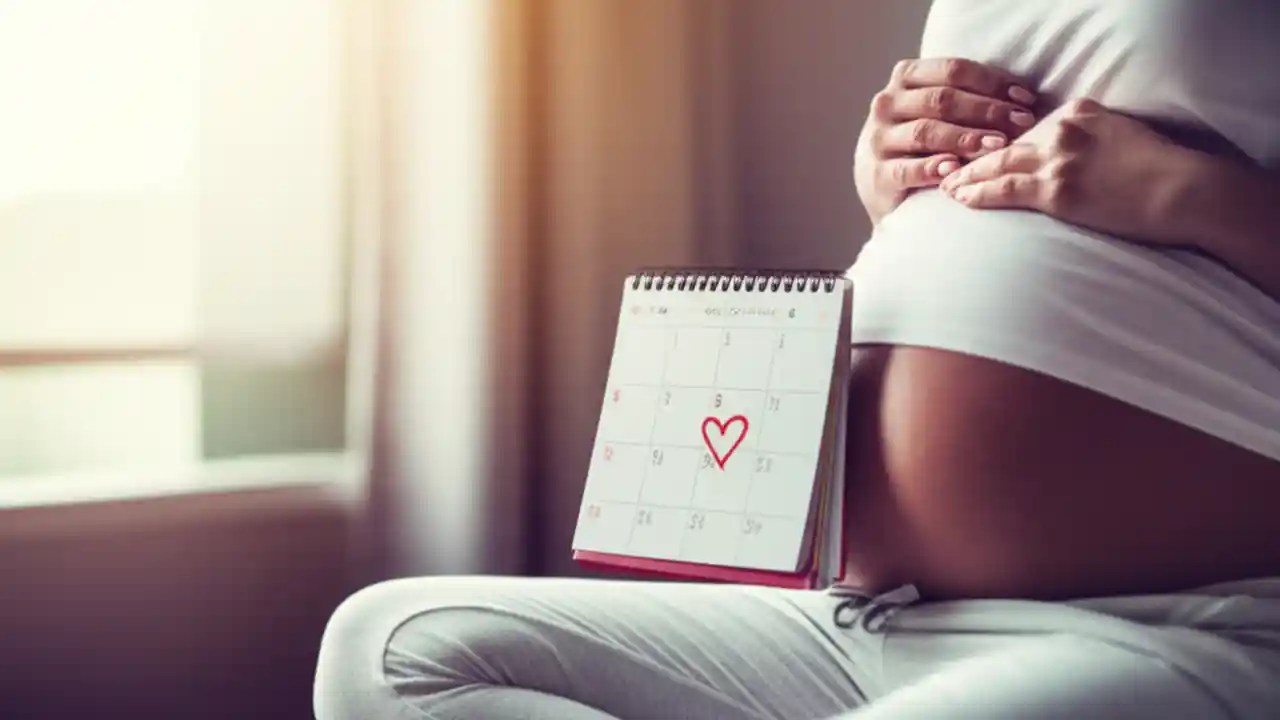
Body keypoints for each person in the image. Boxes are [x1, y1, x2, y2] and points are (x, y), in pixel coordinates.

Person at [314, 1, 1280, 717]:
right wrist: (897, 186)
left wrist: (1196, 196)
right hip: (861, 615)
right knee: (395, 651)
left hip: (1167, 627)